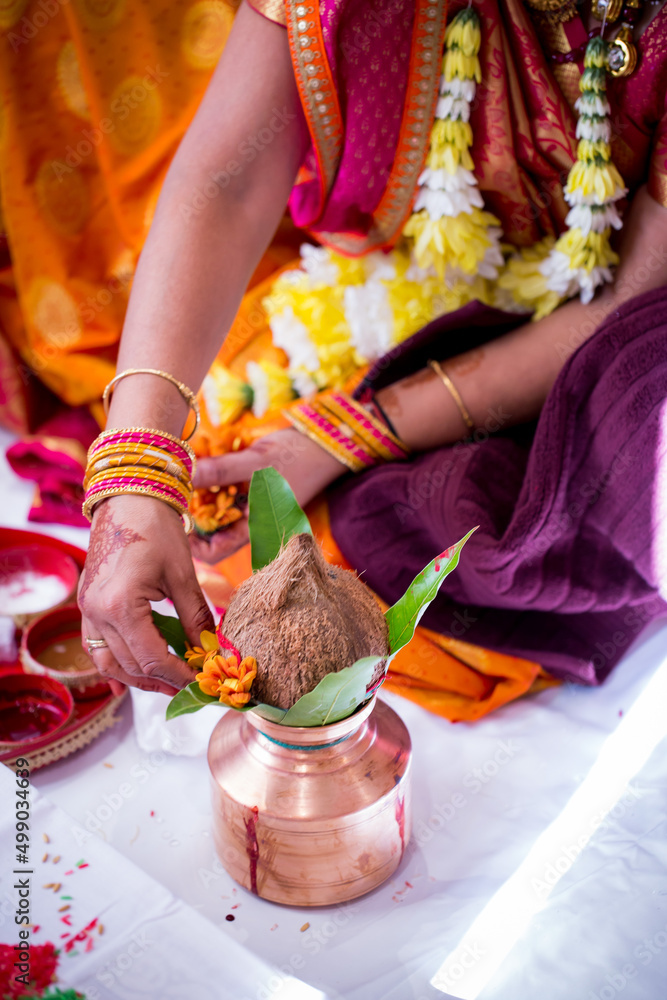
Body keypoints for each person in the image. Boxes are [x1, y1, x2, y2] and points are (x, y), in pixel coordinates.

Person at [75, 0, 667, 708]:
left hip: (619, 336)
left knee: (545, 495)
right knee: (226, 396)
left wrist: (348, 433)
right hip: (431, 276)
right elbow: (228, 185)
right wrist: (136, 474)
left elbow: (626, 311)